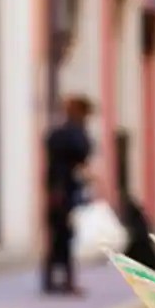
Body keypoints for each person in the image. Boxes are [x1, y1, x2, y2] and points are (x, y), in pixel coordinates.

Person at [42, 95, 95, 296]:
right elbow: (83, 152)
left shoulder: (57, 133)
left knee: (57, 236)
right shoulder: (73, 134)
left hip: (57, 188)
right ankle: (65, 280)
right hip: (66, 190)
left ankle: (52, 279)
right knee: (65, 236)